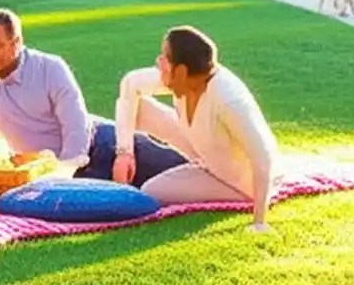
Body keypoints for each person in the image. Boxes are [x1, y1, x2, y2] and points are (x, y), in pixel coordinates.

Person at [0, 9, 188, 183]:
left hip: (100, 145)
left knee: (183, 169)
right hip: (49, 171)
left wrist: (65, 173)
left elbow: (75, 124)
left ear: (17, 42)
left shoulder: (50, 68)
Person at [112, 26, 279, 231]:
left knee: (151, 191)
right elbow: (131, 83)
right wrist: (124, 153)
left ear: (181, 71)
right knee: (139, 109)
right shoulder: (187, 79)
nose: (158, 62)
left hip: (237, 183)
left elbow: (264, 156)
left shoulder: (229, 99)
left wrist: (259, 222)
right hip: (205, 153)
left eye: (165, 57)